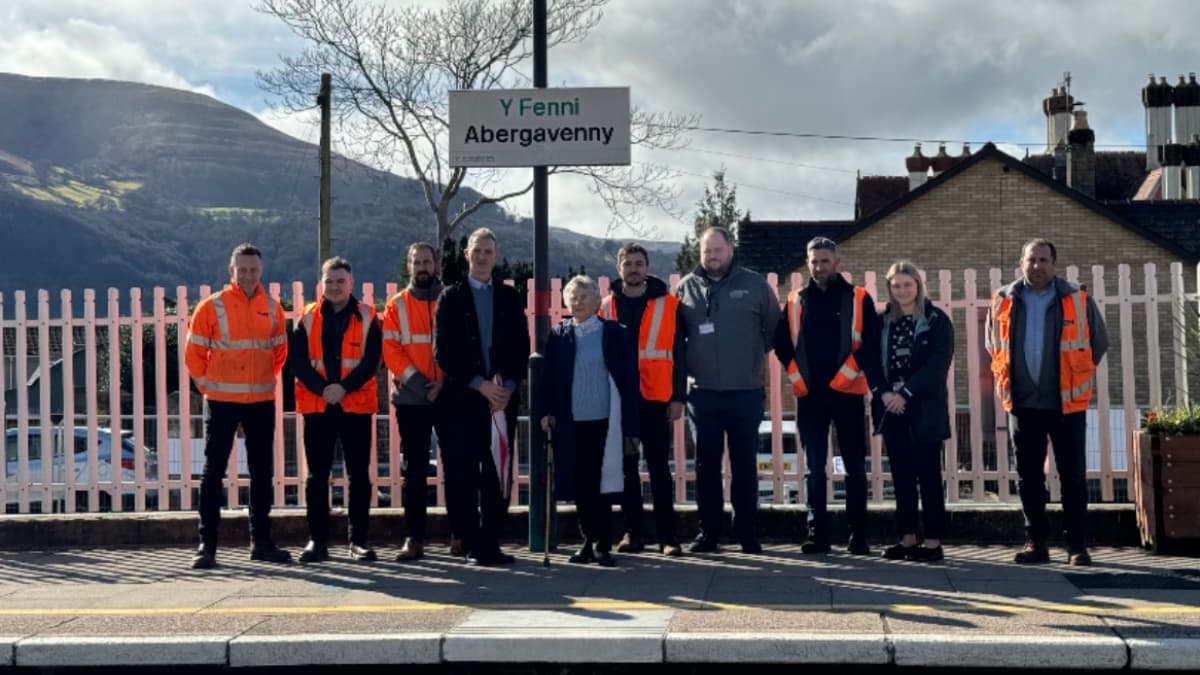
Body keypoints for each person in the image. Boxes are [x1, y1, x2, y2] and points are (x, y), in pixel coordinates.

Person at [986, 239, 1107, 566]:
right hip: (1023, 403)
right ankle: (1036, 543)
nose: (1037, 266)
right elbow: (992, 344)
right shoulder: (1003, 300)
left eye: (1043, 260)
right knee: (1029, 477)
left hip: (1066, 403)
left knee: (1073, 477)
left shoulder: (1077, 299)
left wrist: (1074, 374)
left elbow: (1098, 342)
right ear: (1021, 263)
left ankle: (1077, 546)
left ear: (1054, 264)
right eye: (1031, 260)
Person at [774, 237, 886, 556]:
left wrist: (845, 376)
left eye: (825, 261)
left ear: (837, 263)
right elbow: (782, 343)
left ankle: (858, 536)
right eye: (814, 261)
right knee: (814, 469)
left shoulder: (859, 297)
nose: (819, 267)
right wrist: (797, 377)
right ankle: (817, 535)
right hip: (810, 397)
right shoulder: (796, 299)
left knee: (854, 467)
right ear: (807, 264)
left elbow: (870, 342)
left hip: (848, 395)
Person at [676, 226, 781, 554]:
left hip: (745, 392)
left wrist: (748, 357)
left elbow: (775, 330)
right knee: (706, 467)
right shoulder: (685, 287)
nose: (711, 256)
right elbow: (676, 340)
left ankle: (747, 534)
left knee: (744, 465)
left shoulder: (755, 284)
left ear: (730, 250)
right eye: (706, 251)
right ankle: (708, 534)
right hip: (702, 394)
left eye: (717, 250)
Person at [186, 243, 290, 569]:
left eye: (253, 270)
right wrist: (209, 387)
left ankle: (262, 543)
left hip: (260, 400)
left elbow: (279, 353)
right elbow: (193, 355)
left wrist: (261, 382)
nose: (247, 275)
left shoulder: (272, 308)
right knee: (213, 471)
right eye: (242, 269)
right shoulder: (211, 306)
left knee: (261, 472)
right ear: (231, 271)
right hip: (221, 402)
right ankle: (207, 545)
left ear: (261, 271)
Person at [434, 228, 530, 566]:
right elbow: (443, 353)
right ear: (466, 254)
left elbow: (521, 346)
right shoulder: (450, 297)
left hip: (501, 401)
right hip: (463, 401)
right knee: (462, 474)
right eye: (477, 250)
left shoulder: (509, 297)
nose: (482, 257)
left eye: (488, 251)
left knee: (497, 473)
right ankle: (470, 542)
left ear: (496, 256)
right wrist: (479, 384)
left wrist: (509, 387)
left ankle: (491, 541)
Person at [539, 276, 640, 567]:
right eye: (573, 297)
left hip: (605, 419)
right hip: (571, 422)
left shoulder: (614, 333)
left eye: (584, 297)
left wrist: (631, 421)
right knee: (580, 484)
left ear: (597, 301)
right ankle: (587, 540)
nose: (578, 302)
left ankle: (602, 543)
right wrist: (546, 411)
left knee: (602, 482)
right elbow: (548, 379)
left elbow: (628, 379)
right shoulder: (559, 335)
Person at [290, 256, 382, 563]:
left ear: (351, 283)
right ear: (321, 284)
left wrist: (343, 387)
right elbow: (298, 361)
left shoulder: (368, 316)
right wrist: (323, 389)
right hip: (318, 406)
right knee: (317, 477)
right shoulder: (306, 317)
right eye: (329, 281)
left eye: (340, 281)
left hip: (355, 405)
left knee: (359, 476)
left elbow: (372, 361)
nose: (334, 287)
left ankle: (358, 542)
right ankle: (317, 542)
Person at [600, 243, 685, 557]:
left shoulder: (669, 304)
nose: (633, 269)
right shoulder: (606, 306)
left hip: (656, 399)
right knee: (627, 468)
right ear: (619, 268)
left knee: (659, 468)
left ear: (647, 268)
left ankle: (668, 537)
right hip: (621, 401)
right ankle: (632, 533)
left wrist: (678, 397)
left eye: (638, 263)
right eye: (628, 264)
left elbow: (680, 353)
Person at [871, 261, 952, 563]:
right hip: (891, 409)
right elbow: (869, 360)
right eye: (896, 285)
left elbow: (938, 363)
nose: (902, 290)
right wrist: (884, 393)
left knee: (929, 476)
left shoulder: (936, 320)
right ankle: (907, 539)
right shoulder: (881, 322)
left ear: (918, 285)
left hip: (925, 409)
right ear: (889, 288)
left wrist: (905, 393)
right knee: (902, 477)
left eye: (907, 284)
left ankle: (932, 543)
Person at [383, 242, 444, 562]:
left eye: (426, 261)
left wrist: (444, 383)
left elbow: (462, 344)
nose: (422, 267)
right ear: (409, 267)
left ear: (435, 264)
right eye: (416, 262)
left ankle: (461, 535)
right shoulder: (397, 305)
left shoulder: (450, 299)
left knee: (459, 467)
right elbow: (391, 351)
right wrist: (423, 386)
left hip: (448, 396)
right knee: (414, 471)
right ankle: (414, 538)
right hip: (411, 399)